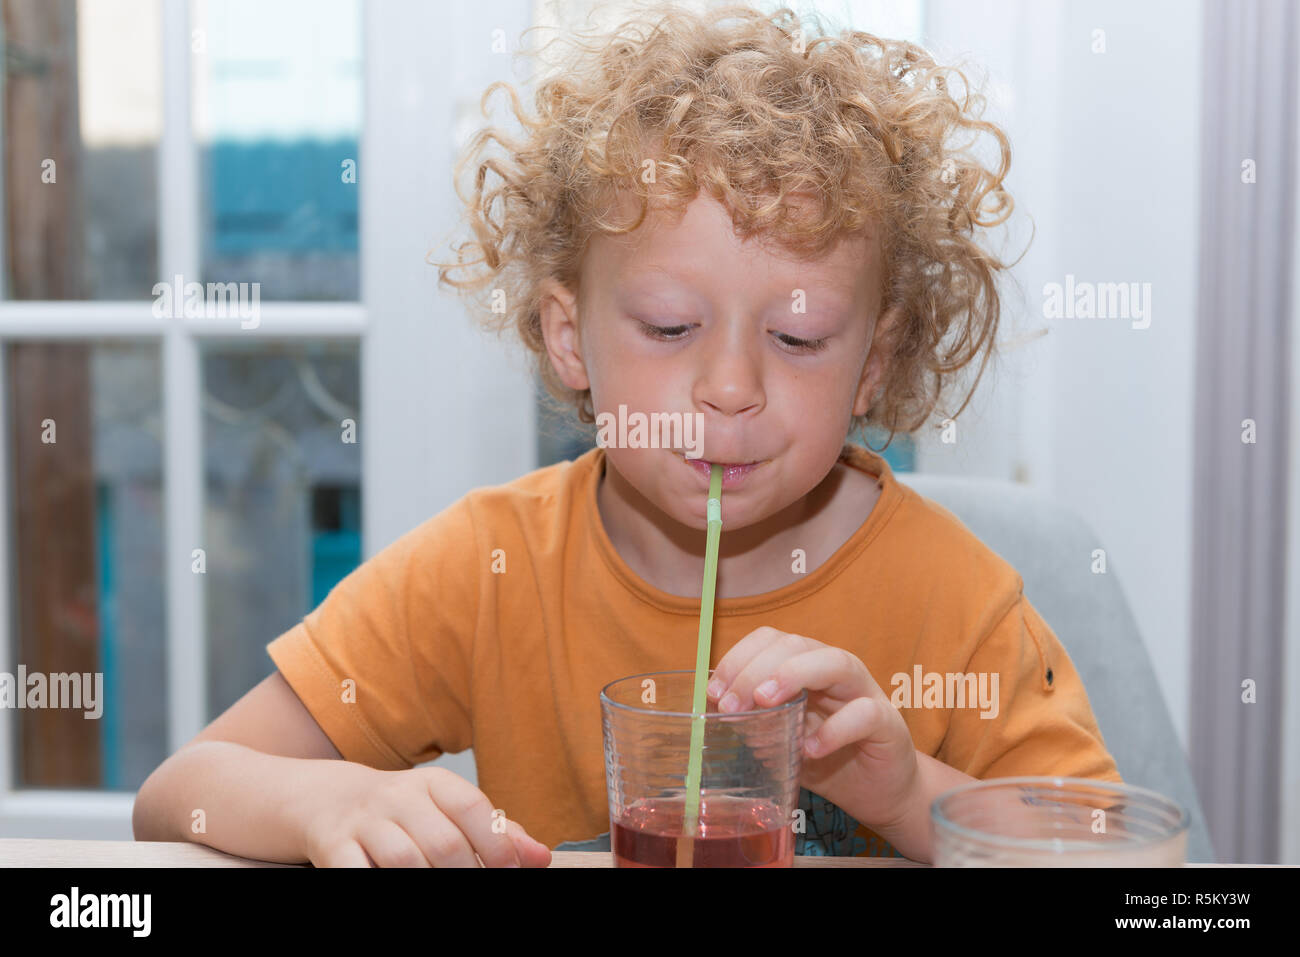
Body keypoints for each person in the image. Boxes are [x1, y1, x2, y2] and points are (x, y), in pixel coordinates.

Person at [132, 2, 1121, 866]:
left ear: (872, 360)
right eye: (667, 327)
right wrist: (327, 799)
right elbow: (182, 793)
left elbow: (1109, 860)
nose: (729, 387)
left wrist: (909, 798)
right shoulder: (489, 569)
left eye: (798, 335)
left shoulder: (954, 602)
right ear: (570, 340)